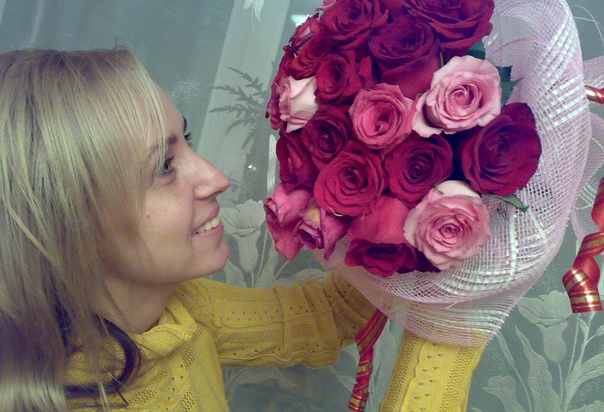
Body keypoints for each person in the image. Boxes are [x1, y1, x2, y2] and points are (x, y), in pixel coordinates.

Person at [0, 48, 483, 412]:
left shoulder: (175, 312)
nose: (216, 178)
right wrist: (456, 315)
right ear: (67, 222)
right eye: (164, 166)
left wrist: (401, 218)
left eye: (185, 140)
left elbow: (322, 318)